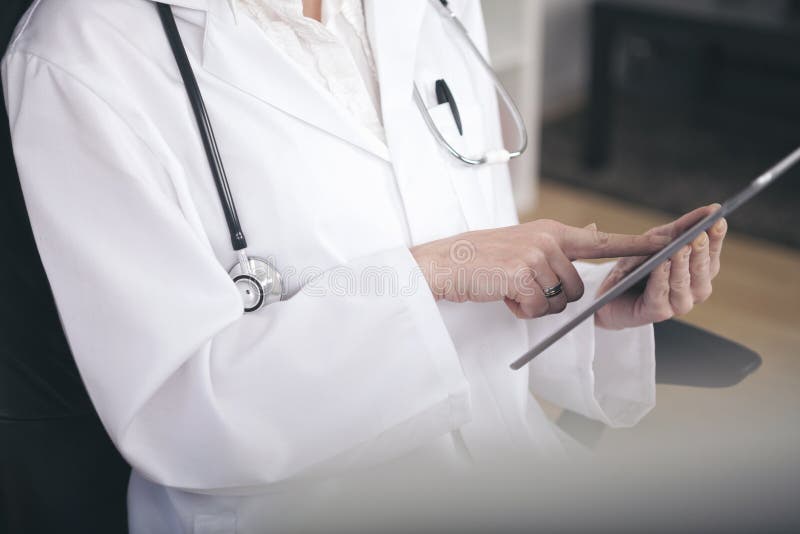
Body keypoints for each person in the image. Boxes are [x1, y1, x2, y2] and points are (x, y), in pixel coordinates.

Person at [2, 0, 727, 531]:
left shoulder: (431, 10)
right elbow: (180, 409)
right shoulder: (80, 55)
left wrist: (590, 302)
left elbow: (485, 264)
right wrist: (438, 270)